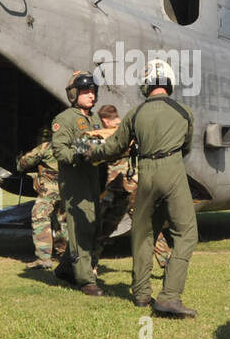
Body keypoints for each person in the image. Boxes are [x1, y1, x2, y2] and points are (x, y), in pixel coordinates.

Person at [87, 59, 198, 316]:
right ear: (169, 83)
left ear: (146, 85)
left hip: (145, 173)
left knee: (143, 233)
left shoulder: (134, 114)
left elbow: (114, 147)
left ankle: (141, 294)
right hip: (173, 169)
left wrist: (91, 155)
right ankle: (169, 296)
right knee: (186, 234)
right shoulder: (184, 112)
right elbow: (187, 148)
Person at [96, 103, 173, 268]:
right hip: (138, 185)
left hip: (119, 189)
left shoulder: (108, 135)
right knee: (148, 225)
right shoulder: (132, 131)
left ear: (104, 120)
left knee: (104, 226)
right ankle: (167, 261)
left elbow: (99, 156)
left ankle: (90, 264)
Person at [50, 70, 106, 296]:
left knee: (93, 225)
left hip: (92, 179)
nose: (91, 95)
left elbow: (101, 143)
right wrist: (82, 151)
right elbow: (60, 151)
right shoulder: (64, 120)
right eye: (86, 91)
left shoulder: (94, 119)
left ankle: (65, 269)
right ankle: (85, 280)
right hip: (75, 183)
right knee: (81, 226)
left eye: (93, 91)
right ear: (74, 94)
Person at [15, 126, 67, 270]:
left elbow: (24, 163)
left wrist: (19, 161)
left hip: (49, 191)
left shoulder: (46, 147)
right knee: (63, 220)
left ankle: (44, 258)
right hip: (68, 190)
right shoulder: (72, 147)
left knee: (40, 217)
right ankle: (64, 254)